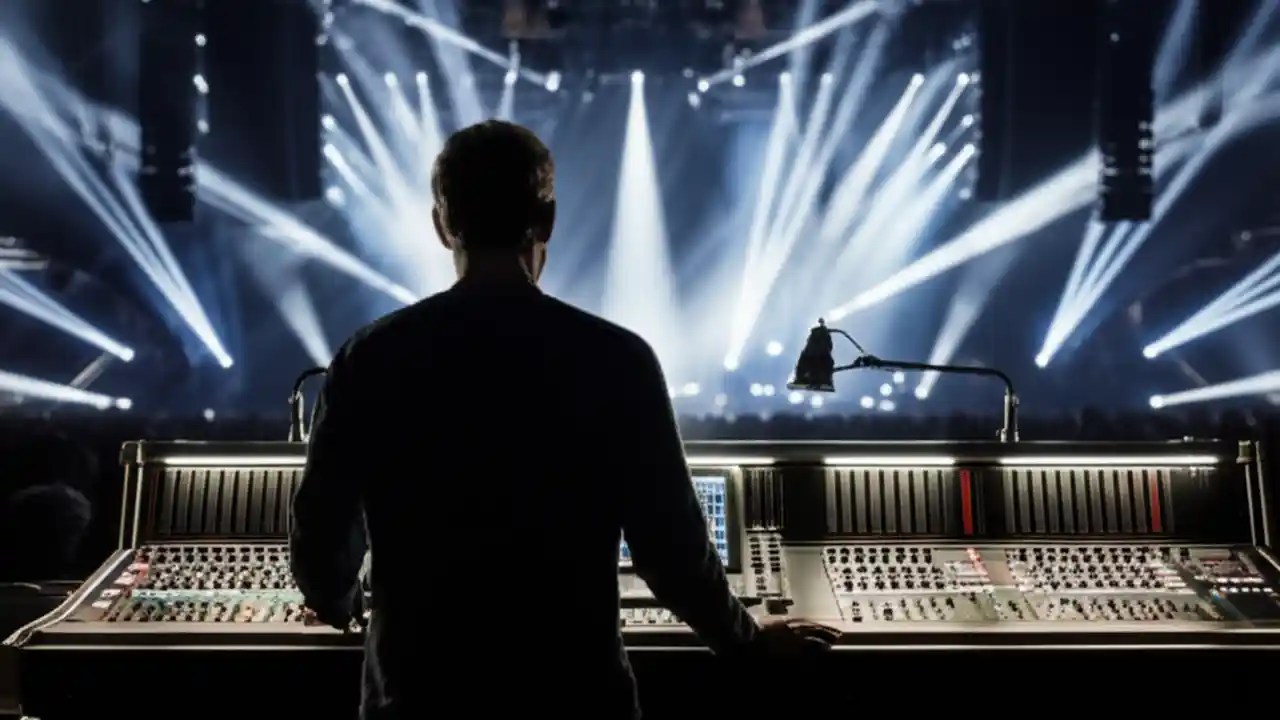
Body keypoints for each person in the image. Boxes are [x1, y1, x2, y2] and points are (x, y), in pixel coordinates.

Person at [290, 120, 839, 719]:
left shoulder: (370, 358)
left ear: (442, 225)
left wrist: (344, 601)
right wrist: (749, 643)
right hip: (576, 700)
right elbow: (672, 551)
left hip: (416, 700)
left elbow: (320, 543)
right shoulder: (615, 359)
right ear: (546, 220)